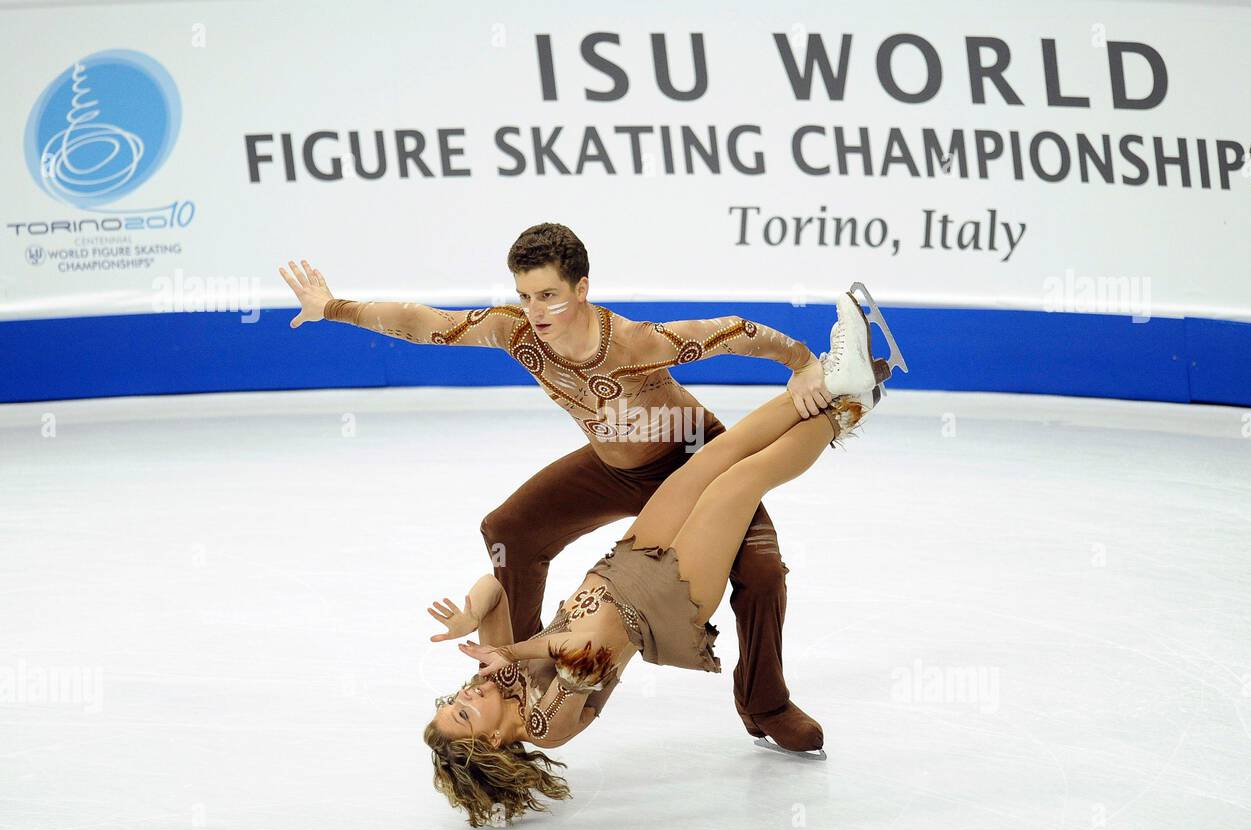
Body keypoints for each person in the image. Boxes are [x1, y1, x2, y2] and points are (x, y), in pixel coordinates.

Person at [279, 223, 892, 752]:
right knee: (509, 530)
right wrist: (334, 307)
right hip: (611, 467)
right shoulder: (516, 332)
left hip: (686, 451)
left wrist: (802, 362)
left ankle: (764, 703)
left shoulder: (632, 344)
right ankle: (519, 667)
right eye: (524, 295)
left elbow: (733, 331)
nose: (536, 311)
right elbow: (424, 322)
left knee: (762, 573)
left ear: (582, 289)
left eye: (548, 295)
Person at [420, 287, 905, 827]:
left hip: (619, 568)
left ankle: (836, 377)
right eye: (464, 711)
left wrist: (472, 613)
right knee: (736, 487)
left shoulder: (497, 672)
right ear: (487, 740)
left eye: (451, 698)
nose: (465, 692)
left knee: (711, 458)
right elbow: (583, 655)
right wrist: (513, 649)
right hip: (662, 609)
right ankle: (848, 410)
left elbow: (493, 591)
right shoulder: (544, 724)